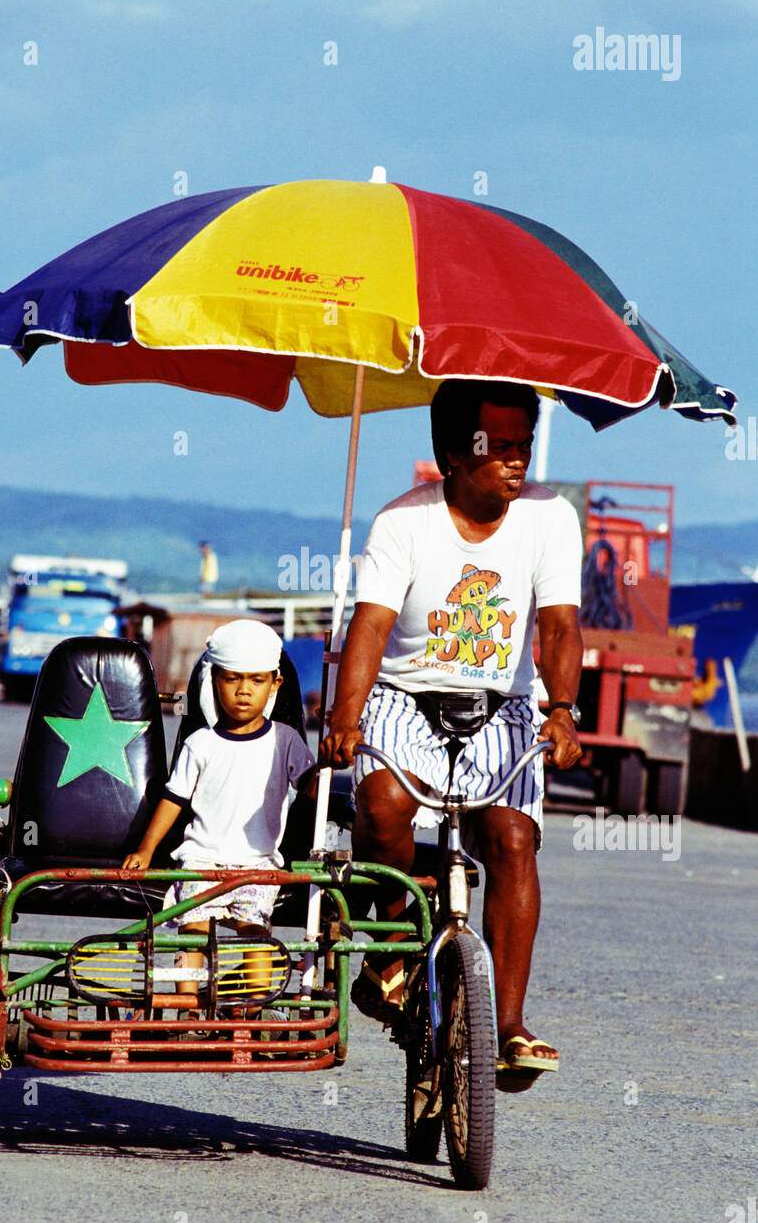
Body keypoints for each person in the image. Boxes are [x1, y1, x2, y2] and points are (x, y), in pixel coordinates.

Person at [320, 379, 583, 1073]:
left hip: (503, 704)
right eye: (496, 446)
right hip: (406, 699)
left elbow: (559, 625)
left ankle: (509, 1026)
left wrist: (561, 710)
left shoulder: (550, 518)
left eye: (521, 444)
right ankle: (389, 948)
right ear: (450, 454)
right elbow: (370, 625)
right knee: (381, 806)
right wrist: (345, 717)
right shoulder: (401, 523)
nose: (514, 459)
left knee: (512, 837)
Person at [123, 619, 317, 1011]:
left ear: (275, 685)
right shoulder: (201, 743)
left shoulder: (287, 740)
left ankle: (253, 1004)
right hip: (201, 861)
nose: (244, 690)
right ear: (214, 681)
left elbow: (313, 787)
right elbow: (174, 799)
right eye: (232, 679)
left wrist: (329, 764)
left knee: (256, 937)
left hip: (257, 865)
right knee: (192, 931)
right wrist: (146, 848)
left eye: (257, 681)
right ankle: (187, 1007)